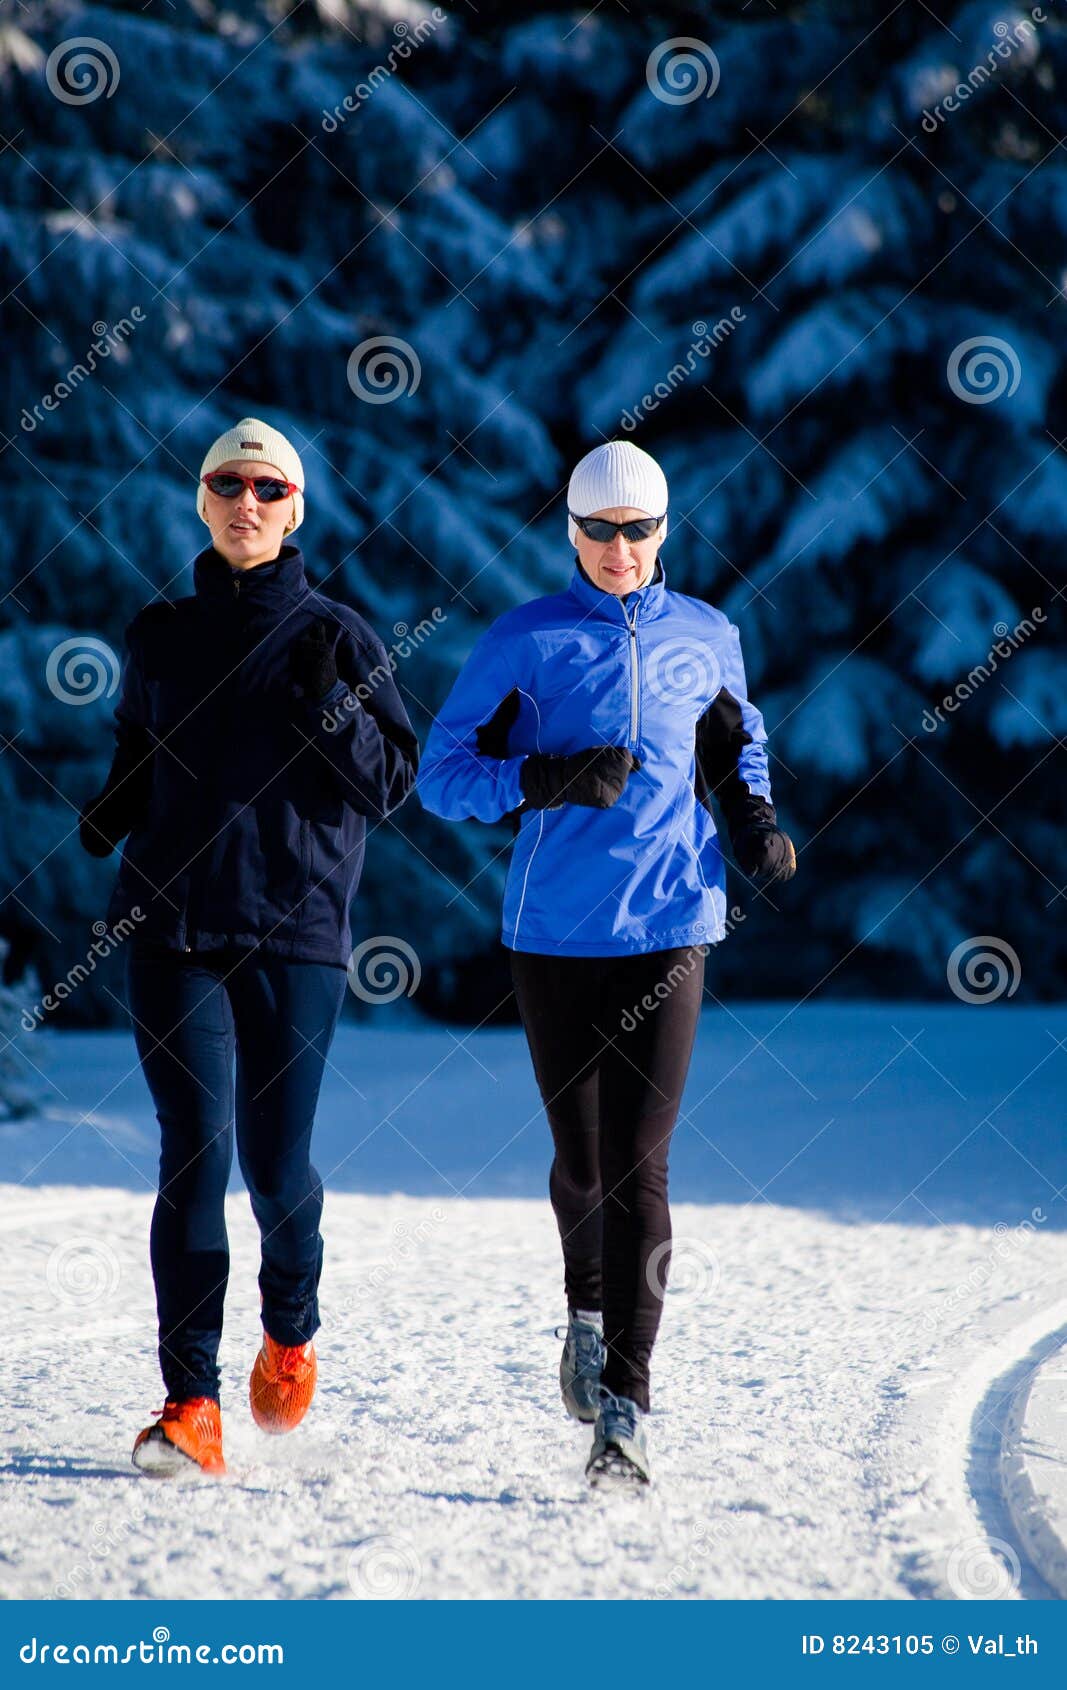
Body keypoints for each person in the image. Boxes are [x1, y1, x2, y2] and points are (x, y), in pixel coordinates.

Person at [416, 440, 794, 1485]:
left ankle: (624, 1405)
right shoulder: (523, 640)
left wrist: (755, 819)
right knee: (580, 1164)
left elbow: (730, 741)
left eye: (636, 529)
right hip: (554, 930)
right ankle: (583, 1312)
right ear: (569, 531)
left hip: (671, 921)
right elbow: (440, 777)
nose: (618, 548)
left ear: (663, 529)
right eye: (597, 529)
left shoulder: (706, 633)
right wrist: (543, 776)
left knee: (640, 1165)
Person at [79, 418, 419, 1477]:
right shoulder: (160, 632)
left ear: (296, 507)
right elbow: (141, 746)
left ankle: (291, 1321)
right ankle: (192, 1404)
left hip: (293, 935)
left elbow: (389, 785)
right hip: (171, 927)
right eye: (227, 484)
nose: (247, 501)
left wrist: (333, 710)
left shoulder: (341, 638)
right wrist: (117, 802)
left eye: (267, 487)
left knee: (276, 1170)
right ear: (202, 499)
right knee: (195, 1151)